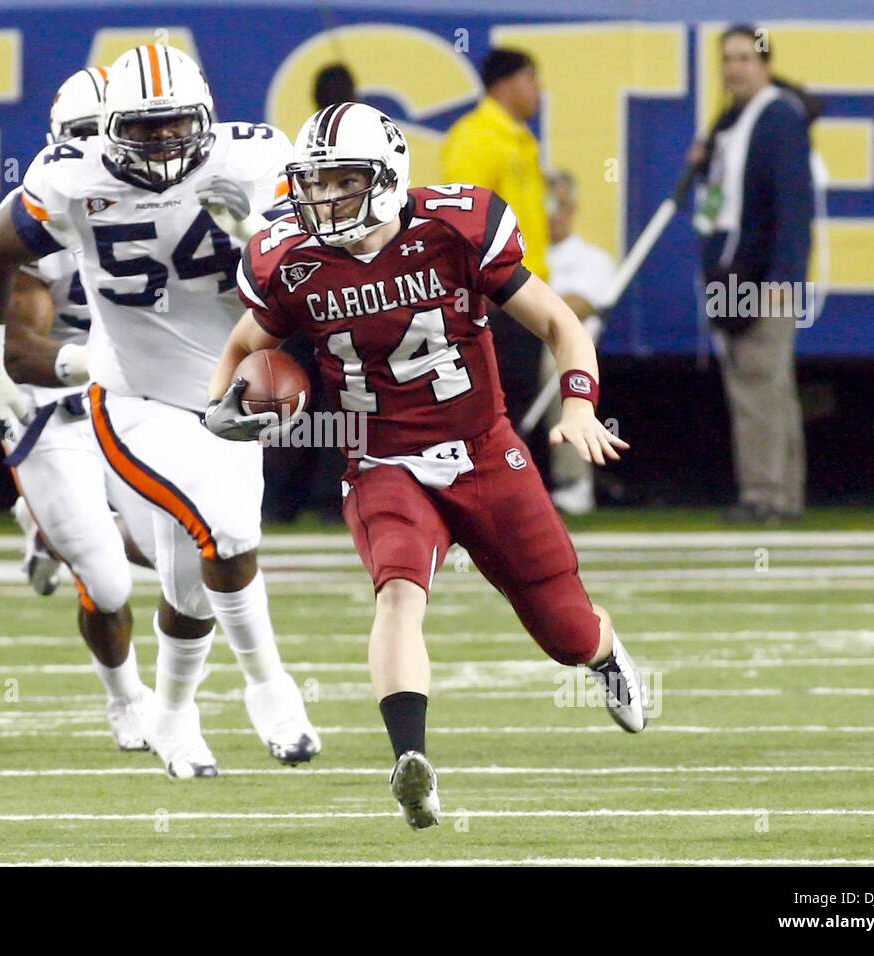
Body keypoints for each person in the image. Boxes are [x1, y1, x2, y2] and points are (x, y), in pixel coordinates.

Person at [207, 102, 648, 830]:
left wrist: (577, 407)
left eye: (341, 181)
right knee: (399, 593)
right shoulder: (289, 259)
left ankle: (605, 652)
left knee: (566, 632)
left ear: (385, 178)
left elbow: (559, 324)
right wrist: (222, 406)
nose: (322, 200)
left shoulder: (456, 228)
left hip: (484, 451)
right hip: (379, 457)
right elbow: (240, 348)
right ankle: (412, 761)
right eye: (313, 184)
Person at [0, 44, 320, 778]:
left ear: (205, 118)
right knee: (227, 530)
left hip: (230, 391)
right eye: (142, 127)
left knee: (191, 584)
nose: (160, 142)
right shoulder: (71, 178)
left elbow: (304, 286)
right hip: (133, 398)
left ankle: (170, 715)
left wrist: (257, 238)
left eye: (173, 125)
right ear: (107, 128)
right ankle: (269, 686)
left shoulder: (254, 160)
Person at [0, 66, 162, 751]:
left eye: (111, 137)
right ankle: (126, 698)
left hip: (139, 389)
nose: (99, 157)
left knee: (193, 547)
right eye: (83, 139)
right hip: (53, 395)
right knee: (108, 575)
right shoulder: (43, 217)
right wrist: (96, 365)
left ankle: (49, 530)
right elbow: (20, 349)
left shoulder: (174, 201)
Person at [692, 25, 814, 524]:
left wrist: (786, 276)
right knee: (760, 382)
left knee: (758, 382)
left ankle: (766, 494)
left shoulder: (777, 117)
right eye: (728, 58)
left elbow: (793, 203)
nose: (734, 67)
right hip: (732, 270)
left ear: (765, 64)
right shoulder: (733, 121)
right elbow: (725, 194)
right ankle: (780, 494)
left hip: (758, 273)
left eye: (745, 57)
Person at [441, 48, 552, 427]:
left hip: (527, 292)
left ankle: (519, 483)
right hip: (499, 298)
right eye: (532, 78)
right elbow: (461, 220)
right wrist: (482, 292)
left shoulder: (521, 140)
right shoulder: (475, 137)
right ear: (505, 83)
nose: (539, 88)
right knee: (496, 408)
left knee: (522, 404)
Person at [539, 169, 617, 515]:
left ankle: (574, 482)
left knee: (558, 362)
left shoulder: (593, 258)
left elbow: (573, 310)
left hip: (559, 350)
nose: (552, 211)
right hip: (509, 343)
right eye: (545, 202)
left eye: (559, 202)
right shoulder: (516, 253)